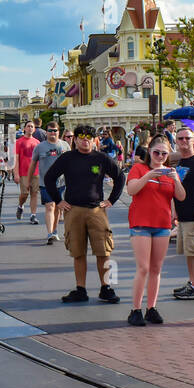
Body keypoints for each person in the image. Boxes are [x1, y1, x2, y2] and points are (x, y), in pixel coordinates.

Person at [42, 124, 124, 305]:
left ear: (94, 140)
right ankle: (81, 289)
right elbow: (49, 178)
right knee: (78, 252)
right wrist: (58, 200)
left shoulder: (101, 158)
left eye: (88, 137)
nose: (84, 140)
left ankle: (106, 287)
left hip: (97, 210)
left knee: (104, 251)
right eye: (81, 137)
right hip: (74, 210)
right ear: (76, 139)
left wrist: (111, 200)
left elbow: (120, 177)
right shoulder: (67, 158)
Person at [125, 134, 184, 325]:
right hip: (141, 223)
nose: (160, 156)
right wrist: (149, 175)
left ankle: (151, 307)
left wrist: (176, 179)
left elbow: (181, 197)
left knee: (156, 268)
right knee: (143, 267)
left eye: (164, 153)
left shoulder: (169, 173)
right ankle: (135, 309)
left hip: (162, 225)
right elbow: (132, 190)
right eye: (156, 152)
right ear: (149, 152)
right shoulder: (139, 168)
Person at [170, 126, 194, 301]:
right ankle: (192, 283)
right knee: (189, 252)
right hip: (184, 215)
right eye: (180, 139)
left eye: (187, 138)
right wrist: (174, 210)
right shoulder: (181, 162)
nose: (184, 141)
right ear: (176, 142)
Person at [32, 122, 70, 243]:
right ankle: (49, 234)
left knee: (58, 208)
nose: (52, 132)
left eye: (55, 130)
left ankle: (54, 231)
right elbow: (33, 164)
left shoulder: (65, 146)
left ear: (59, 132)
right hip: (45, 182)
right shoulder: (40, 147)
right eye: (50, 130)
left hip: (61, 182)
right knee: (50, 206)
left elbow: (71, 164)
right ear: (46, 132)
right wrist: (28, 179)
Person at [13, 121, 40, 221]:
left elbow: (40, 158)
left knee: (34, 193)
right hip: (24, 172)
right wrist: (16, 174)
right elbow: (16, 158)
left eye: (32, 126)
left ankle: (33, 215)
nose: (30, 128)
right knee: (24, 193)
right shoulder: (19, 142)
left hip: (36, 172)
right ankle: (20, 206)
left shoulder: (37, 142)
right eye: (28, 126)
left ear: (34, 129)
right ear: (24, 128)